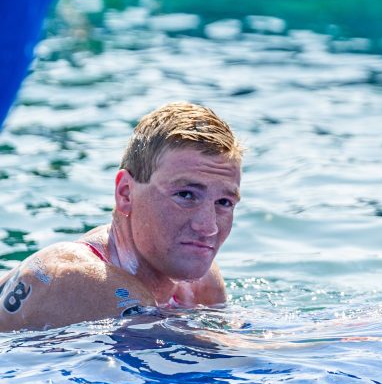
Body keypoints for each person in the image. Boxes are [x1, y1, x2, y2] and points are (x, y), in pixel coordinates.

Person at [0, 102, 243, 332]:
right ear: (125, 193)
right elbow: (205, 357)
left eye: (224, 202)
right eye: (186, 195)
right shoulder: (82, 277)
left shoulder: (197, 280)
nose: (208, 227)